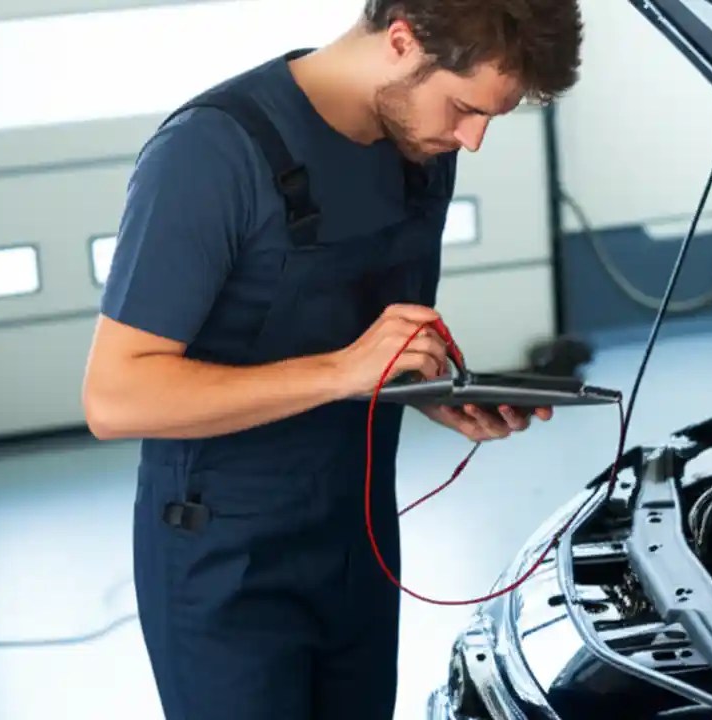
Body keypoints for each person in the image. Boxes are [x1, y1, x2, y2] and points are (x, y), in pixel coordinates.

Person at [80, 1, 583, 717]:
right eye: (466, 109)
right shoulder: (209, 155)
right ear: (402, 40)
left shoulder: (419, 150)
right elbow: (114, 396)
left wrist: (425, 385)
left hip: (358, 536)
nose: (472, 141)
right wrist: (344, 371)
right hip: (225, 562)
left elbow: (363, 338)